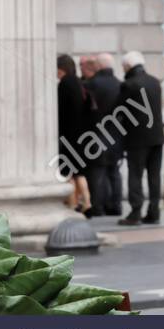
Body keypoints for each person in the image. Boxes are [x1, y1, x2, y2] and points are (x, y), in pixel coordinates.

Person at [118, 51, 164, 225]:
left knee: (135, 175)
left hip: (137, 138)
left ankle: (135, 212)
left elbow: (118, 111)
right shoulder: (154, 82)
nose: (123, 69)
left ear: (129, 66)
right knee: (154, 175)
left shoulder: (129, 84)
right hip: (157, 136)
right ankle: (154, 212)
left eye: (123, 66)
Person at [83, 52, 124, 218]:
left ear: (98, 66)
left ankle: (98, 207)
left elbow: (86, 112)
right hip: (116, 135)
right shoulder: (120, 84)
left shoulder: (91, 85)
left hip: (96, 134)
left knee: (97, 172)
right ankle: (116, 206)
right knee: (114, 171)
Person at [55, 54, 91, 213]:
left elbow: (61, 111)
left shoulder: (64, 84)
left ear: (60, 69)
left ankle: (72, 204)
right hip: (82, 135)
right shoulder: (79, 83)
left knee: (67, 173)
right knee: (80, 173)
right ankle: (87, 203)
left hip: (68, 136)